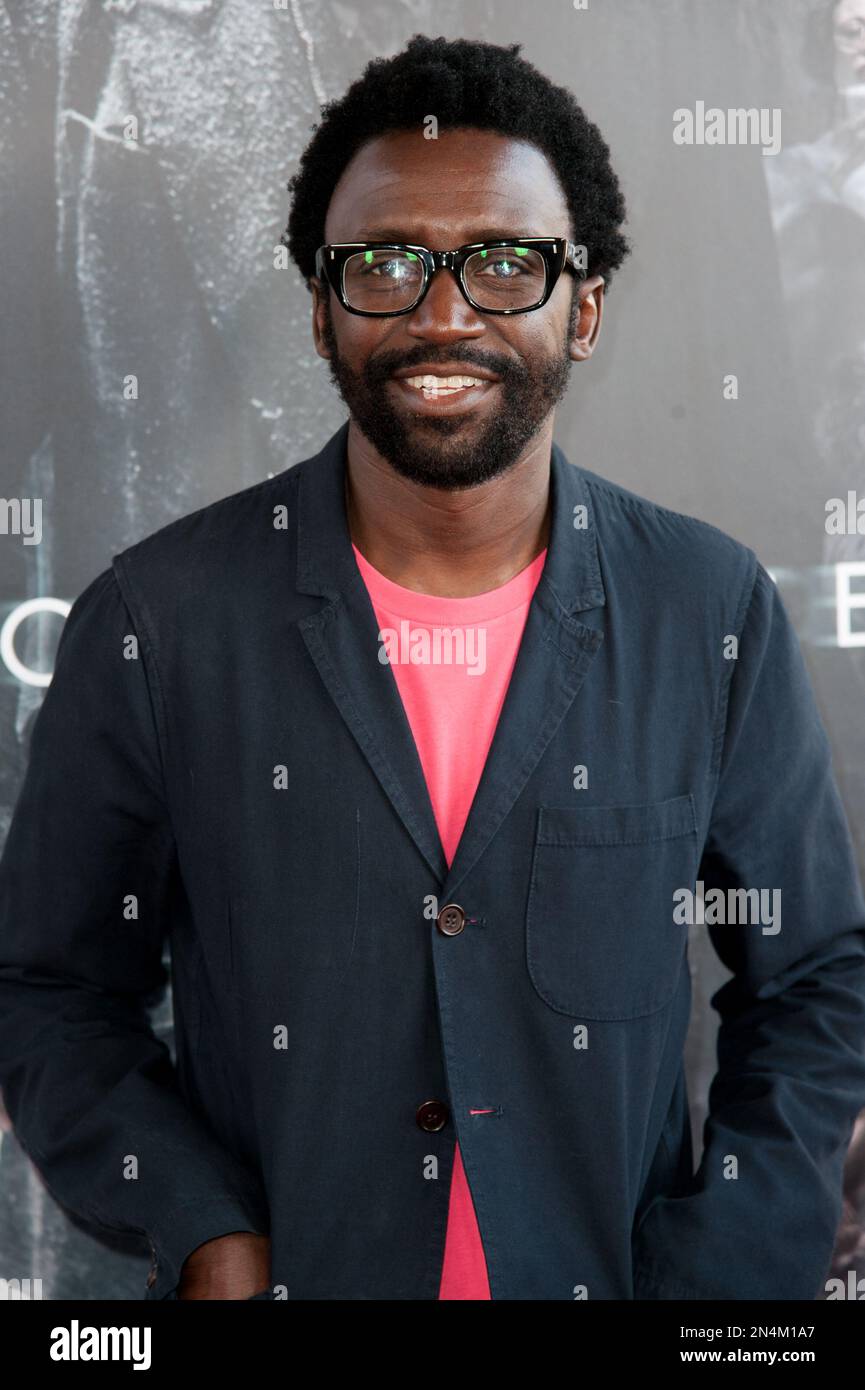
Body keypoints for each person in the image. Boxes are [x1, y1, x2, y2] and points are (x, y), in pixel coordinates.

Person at [1, 34, 865, 1302]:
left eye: (505, 263)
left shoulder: (706, 606)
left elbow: (814, 983)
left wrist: (721, 1280)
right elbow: (49, 989)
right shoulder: (158, 619)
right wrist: (205, 1234)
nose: (444, 309)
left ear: (585, 304)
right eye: (388, 262)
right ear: (319, 306)